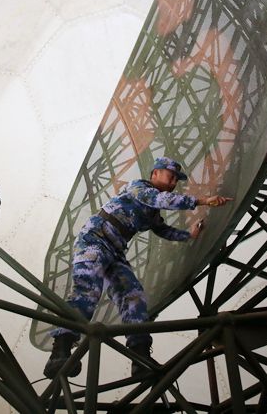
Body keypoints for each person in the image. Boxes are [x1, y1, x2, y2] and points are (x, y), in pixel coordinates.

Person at [43, 157, 232, 379]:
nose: (173, 183)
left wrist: (189, 234)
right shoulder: (139, 188)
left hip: (115, 252)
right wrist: (202, 201)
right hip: (95, 240)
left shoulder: (152, 211)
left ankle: (140, 357)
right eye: (170, 177)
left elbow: (162, 229)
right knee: (87, 291)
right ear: (155, 174)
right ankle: (61, 351)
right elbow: (160, 199)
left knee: (134, 297)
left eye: (175, 181)